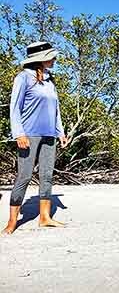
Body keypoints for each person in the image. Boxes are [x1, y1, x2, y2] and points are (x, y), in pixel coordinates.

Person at [2, 41, 68, 235]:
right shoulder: (23, 78)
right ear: (41, 58)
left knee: (47, 176)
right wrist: (19, 133)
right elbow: (14, 108)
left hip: (49, 134)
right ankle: (12, 221)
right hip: (29, 134)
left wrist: (60, 132)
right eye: (51, 56)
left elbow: (55, 110)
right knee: (24, 176)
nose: (54, 59)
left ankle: (45, 218)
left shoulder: (50, 81)